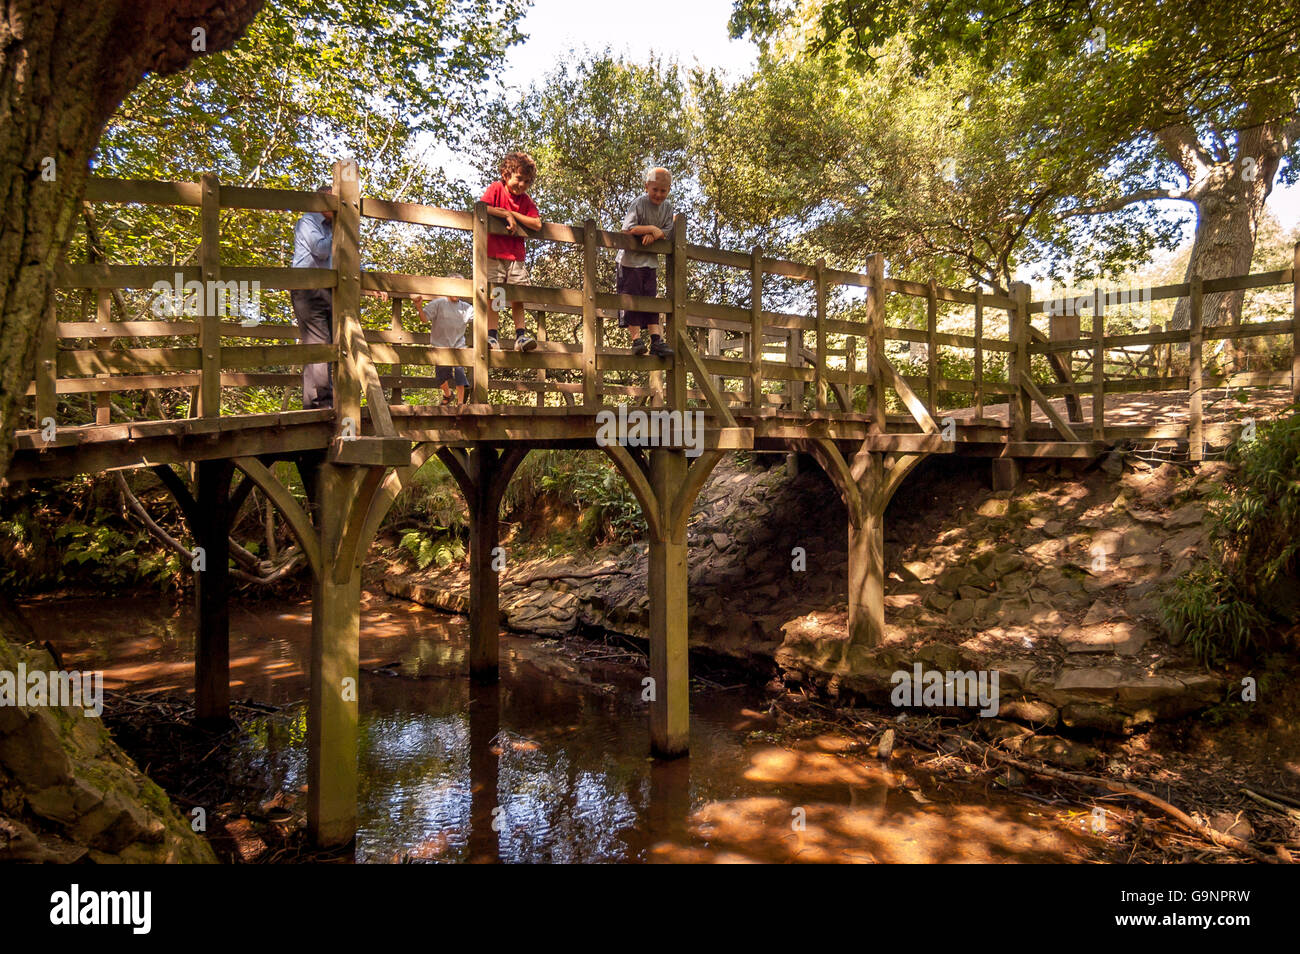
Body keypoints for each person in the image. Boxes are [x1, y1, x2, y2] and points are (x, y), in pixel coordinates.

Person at [290, 184, 387, 409]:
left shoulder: (335, 227)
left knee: (335, 344)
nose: (335, 208)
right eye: (332, 202)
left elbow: (348, 260)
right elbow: (321, 250)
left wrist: (367, 285)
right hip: (307, 289)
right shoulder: (308, 222)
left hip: (331, 290)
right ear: (321, 201)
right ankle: (319, 406)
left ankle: (327, 402)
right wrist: (341, 229)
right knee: (319, 344)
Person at [480, 151, 540, 351]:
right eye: (519, 179)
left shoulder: (525, 201)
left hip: (516, 257)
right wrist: (504, 213)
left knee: (517, 295)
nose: (522, 185)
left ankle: (521, 337)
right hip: (495, 254)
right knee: (496, 295)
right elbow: (481, 208)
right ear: (506, 175)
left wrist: (513, 214)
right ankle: (492, 336)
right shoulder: (497, 189)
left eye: (527, 182)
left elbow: (537, 224)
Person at [617, 166, 676, 358]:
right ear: (646, 187)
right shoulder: (639, 203)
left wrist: (656, 235)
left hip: (649, 263)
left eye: (663, 191)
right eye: (655, 190)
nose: (658, 194)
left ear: (668, 190)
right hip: (629, 262)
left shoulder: (667, 208)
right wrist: (650, 229)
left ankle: (656, 340)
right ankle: (636, 340)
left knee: (651, 301)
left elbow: (667, 231)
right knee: (631, 298)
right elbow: (627, 229)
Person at [413, 275, 471, 407]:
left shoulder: (466, 307)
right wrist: (419, 307)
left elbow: (481, 316)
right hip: (440, 346)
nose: (456, 292)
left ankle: (461, 404)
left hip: (458, 346)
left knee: (460, 373)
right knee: (441, 376)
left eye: (459, 288)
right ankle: (448, 394)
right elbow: (424, 319)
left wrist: (496, 302)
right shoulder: (439, 303)